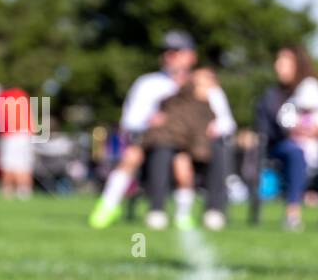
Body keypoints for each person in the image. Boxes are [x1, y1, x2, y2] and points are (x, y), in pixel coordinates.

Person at [88, 31, 235, 230]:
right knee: (150, 151)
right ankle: (128, 207)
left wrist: (211, 127)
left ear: (191, 56)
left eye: (176, 51)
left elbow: (227, 123)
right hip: (157, 144)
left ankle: (212, 212)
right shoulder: (148, 84)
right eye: (167, 51)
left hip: (197, 145)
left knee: (216, 148)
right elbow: (129, 121)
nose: (170, 56)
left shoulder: (205, 85)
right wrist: (151, 120)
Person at [254, 46, 318, 231]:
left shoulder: (317, 92)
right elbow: (271, 127)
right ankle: (292, 213)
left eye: (284, 62)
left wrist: (316, 130)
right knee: (296, 152)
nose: (278, 66)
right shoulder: (272, 96)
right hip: (283, 147)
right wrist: (293, 131)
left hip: (317, 146)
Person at [144, 67, 222, 230]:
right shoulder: (177, 102)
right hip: (173, 146)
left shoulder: (210, 105)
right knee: (171, 160)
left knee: (217, 153)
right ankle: (158, 210)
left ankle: (205, 212)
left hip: (197, 150)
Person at [0, 85, 35, 199]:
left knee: (9, 164)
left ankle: (7, 190)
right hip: (26, 134)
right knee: (23, 165)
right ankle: (24, 191)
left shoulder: (1, 98)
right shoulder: (19, 94)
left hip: (10, 136)